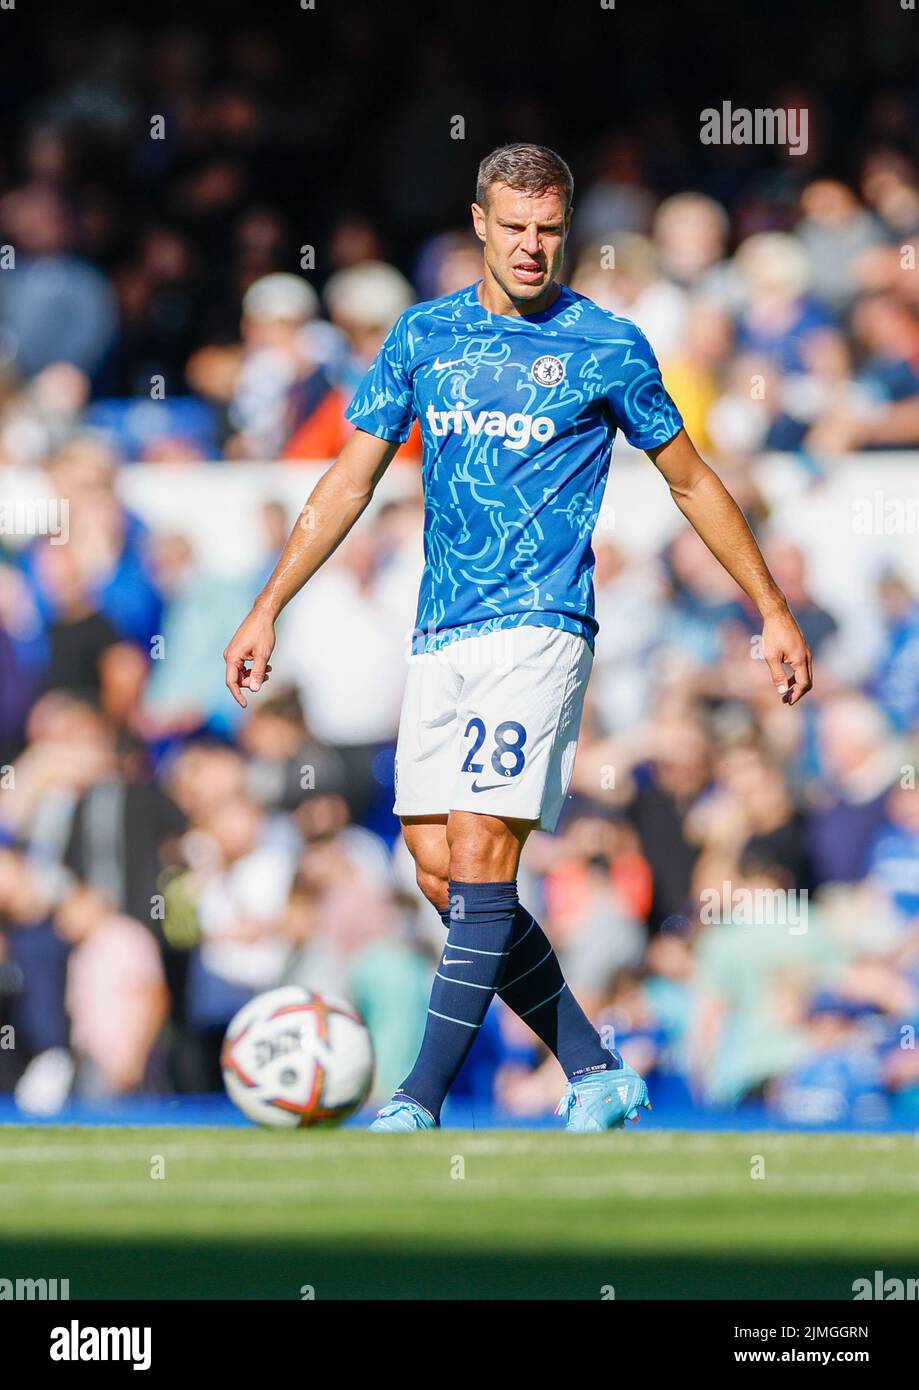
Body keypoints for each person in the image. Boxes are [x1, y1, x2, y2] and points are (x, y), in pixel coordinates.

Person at [223, 143, 813, 1134]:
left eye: (549, 230)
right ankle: (594, 1067)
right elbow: (348, 480)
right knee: (438, 868)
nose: (532, 247)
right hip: (439, 631)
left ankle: (416, 1100)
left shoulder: (607, 345)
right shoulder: (423, 336)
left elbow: (691, 479)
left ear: (565, 231)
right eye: (515, 228)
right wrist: (268, 601)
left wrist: (769, 605)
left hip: (540, 627)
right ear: (481, 225)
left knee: (484, 852)